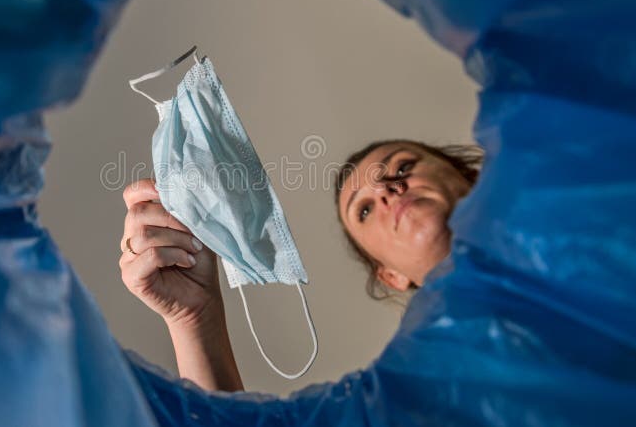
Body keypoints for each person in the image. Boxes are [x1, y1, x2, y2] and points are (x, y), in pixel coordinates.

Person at [119, 139, 483, 391]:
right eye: (365, 210)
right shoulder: (407, 398)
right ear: (391, 275)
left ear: (470, 174)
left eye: (403, 167)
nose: (386, 189)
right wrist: (195, 320)